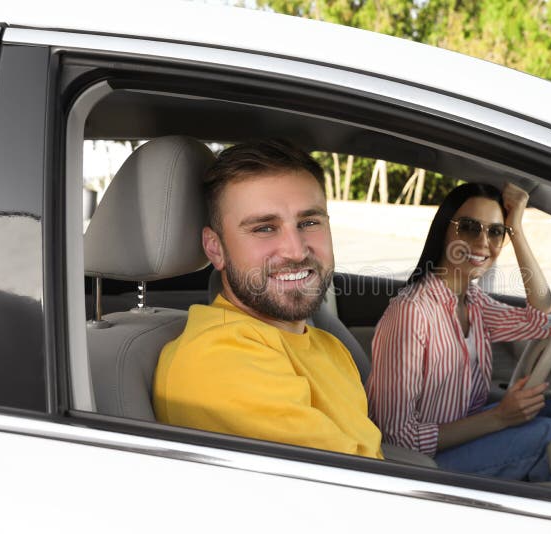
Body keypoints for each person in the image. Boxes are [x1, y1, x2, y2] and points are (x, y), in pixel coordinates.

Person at [153, 140, 383, 459]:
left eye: (309, 222)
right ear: (215, 247)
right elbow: (360, 492)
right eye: (264, 228)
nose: (296, 250)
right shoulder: (218, 360)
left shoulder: (328, 345)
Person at [366, 182, 551, 481]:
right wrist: (499, 417)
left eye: (496, 232)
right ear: (445, 230)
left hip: (458, 431)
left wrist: (517, 231)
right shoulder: (411, 314)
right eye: (470, 227)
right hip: (418, 466)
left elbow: (544, 321)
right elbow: (398, 439)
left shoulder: (473, 301)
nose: (484, 242)